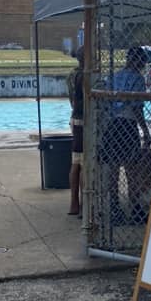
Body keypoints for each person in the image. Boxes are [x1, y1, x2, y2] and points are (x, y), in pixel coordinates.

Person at [100, 45, 151, 226]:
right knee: (132, 169)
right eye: (142, 62)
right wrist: (145, 131)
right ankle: (135, 208)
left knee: (113, 169)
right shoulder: (138, 79)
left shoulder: (114, 77)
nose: (143, 66)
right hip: (128, 124)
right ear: (137, 61)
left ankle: (115, 207)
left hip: (113, 124)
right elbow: (137, 108)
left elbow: (106, 104)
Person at [66, 45, 84, 216]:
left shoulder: (71, 75)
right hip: (84, 119)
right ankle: (84, 204)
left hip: (74, 117)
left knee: (76, 161)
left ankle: (74, 203)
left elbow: (72, 99)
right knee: (84, 163)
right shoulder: (85, 76)